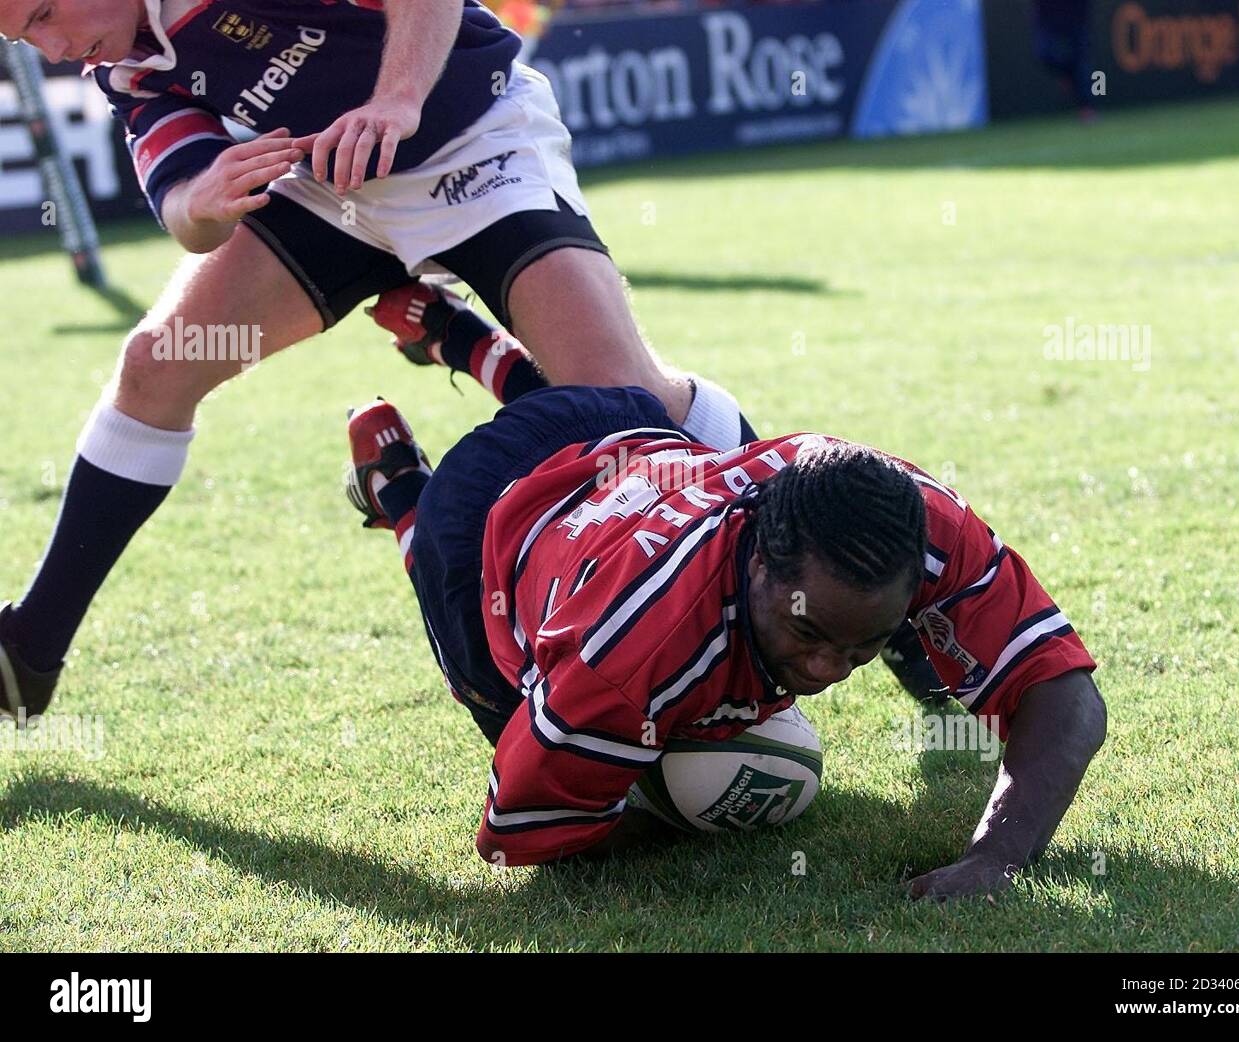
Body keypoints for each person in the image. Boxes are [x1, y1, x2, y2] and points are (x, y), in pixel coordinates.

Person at [0, 0, 757, 719]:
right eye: (24, 40)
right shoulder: (127, 63)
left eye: (43, 15)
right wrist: (201, 203)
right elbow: (182, 203)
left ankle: (806, 523)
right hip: (336, 191)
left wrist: (397, 100)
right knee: (159, 366)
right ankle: (29, 652)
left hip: (474, 142)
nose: (56, 50)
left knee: (630, 407)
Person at [343, 379, 1106, 899]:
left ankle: (478, 350)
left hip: (615, 430)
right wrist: (672, 796)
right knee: (488, 682)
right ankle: (405, 493)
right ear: (759, 556)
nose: (827, 670)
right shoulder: (625, 660)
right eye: (810, 633)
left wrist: (999, 857)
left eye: (864, 646)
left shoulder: (918, 521)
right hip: (486, 525)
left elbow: (1066, 696)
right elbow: (519, 835)